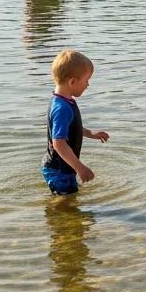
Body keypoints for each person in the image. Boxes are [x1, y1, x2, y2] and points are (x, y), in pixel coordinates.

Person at [42, 49, 110, 195]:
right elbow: (59, 143)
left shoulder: (64, 101)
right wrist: (80, 168)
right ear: (72, 81)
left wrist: (91, 133)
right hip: (59, 171)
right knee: (66, 203)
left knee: (69, 200)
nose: (88, 85)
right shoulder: (62, 108)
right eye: (86, 80)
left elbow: (71, 127)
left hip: (61, 169)